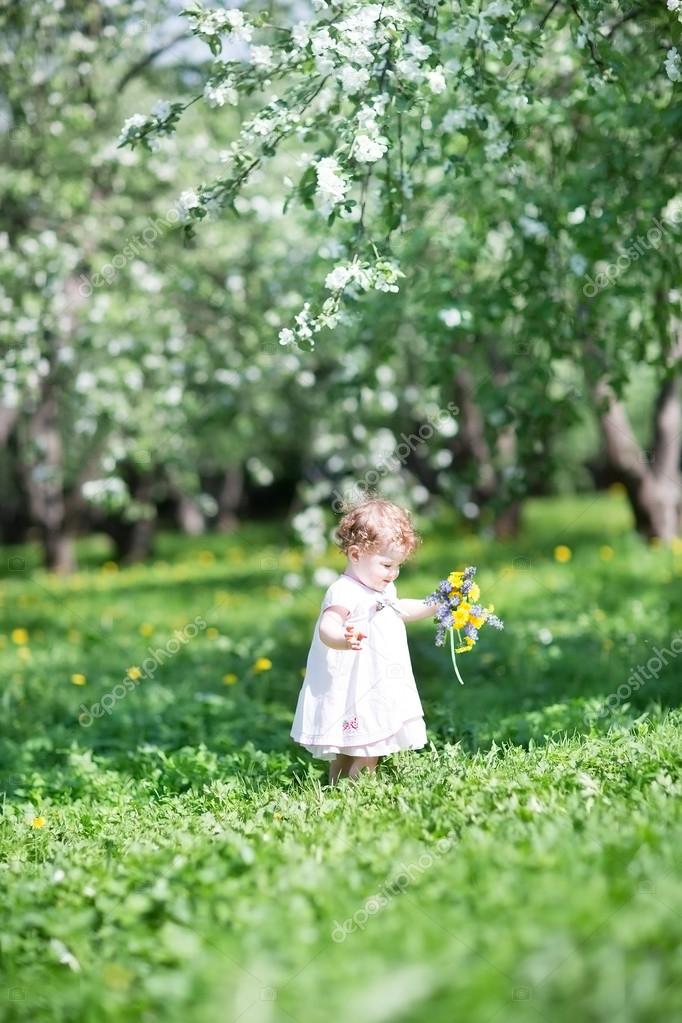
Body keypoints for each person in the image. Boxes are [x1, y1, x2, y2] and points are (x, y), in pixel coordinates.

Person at [290, 497, 436, 785]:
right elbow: (327, 625)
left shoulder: (383, 589)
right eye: (386, 565)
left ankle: (337, 792)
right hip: (355, 686)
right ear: (355, 554)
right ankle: (358, 795)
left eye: (397, 566)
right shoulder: (344, 591)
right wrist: (342, 638)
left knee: (354, 747)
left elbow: (400, 610)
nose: (393, 573)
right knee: (367, 747)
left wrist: (436, 604)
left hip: (376, 681)